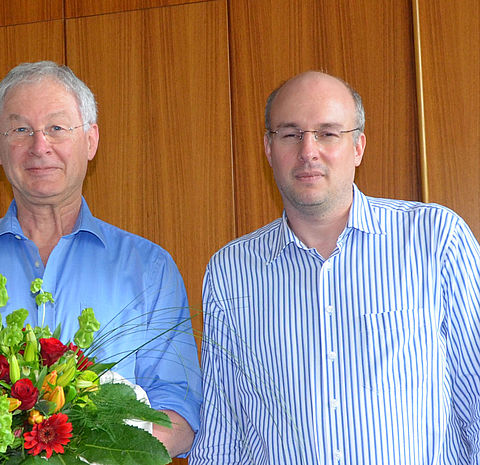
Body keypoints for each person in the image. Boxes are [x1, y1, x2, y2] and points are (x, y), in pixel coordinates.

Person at [0, 61, 202, 457]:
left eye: (57, 128)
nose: (40, 146)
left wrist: (94, 454)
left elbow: (178, 408)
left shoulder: (150, 268)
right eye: (20, 129)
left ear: (90, 140)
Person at [189, 70, 480, 464]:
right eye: (290, 134)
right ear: (268, 148)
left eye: (327, 133)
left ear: (358, 146)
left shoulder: (435, 238)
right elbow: (222, 429)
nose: (308, 151)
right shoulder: (231, 270)